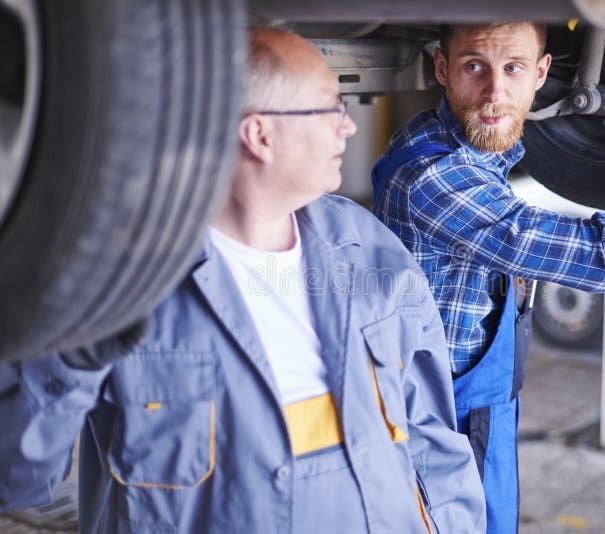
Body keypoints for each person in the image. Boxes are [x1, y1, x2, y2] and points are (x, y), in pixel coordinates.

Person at [0, 28, 485, 533]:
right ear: (259, 135)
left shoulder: (370, 250)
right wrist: (70, 359)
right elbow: (16, 479)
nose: (349, 128)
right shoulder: (122, 275)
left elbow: (432, 442)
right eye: (331, 108)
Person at [371, 22, 605, 533]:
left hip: (477, 414)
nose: (495, 93)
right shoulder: (438, 178)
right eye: (475, 66)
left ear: (542, 73)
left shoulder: (441, 142)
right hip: (442, 433)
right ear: (441, 69)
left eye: (514, 68)